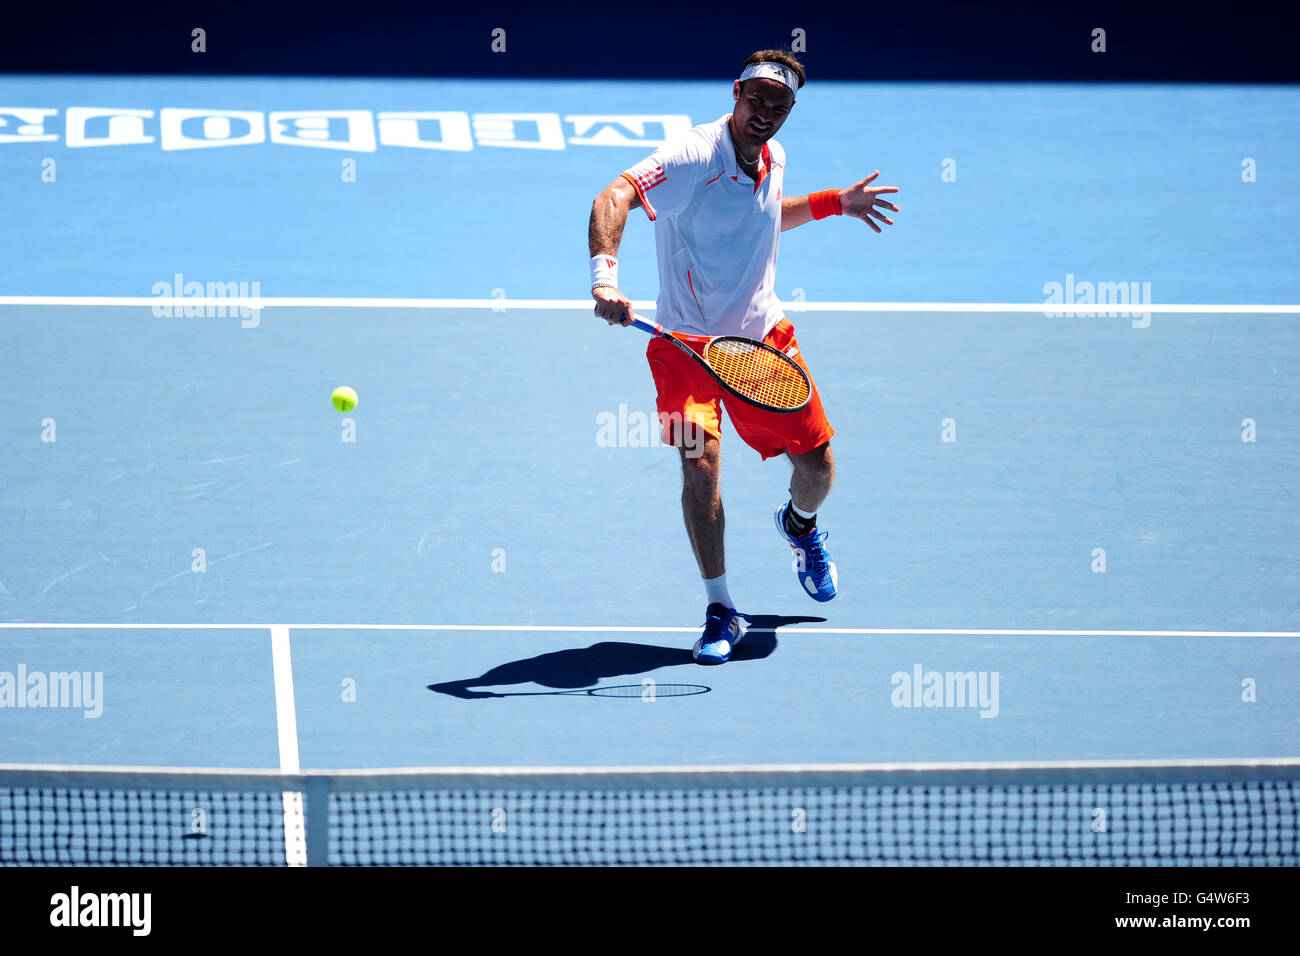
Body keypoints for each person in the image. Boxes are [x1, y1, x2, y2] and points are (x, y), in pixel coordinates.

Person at [588, 50, 900, 664]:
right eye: (755, 99)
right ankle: (721, 607)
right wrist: (605, 278)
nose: (764, 114)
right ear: (735, 93)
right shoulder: (692, 156)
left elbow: (761, 219)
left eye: (778, 107)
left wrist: (836, 202)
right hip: (682, 346)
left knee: (817, 469)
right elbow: (613, 195)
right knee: (699, 467)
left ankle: (800, 527)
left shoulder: (773, 156)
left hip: (763, 342)